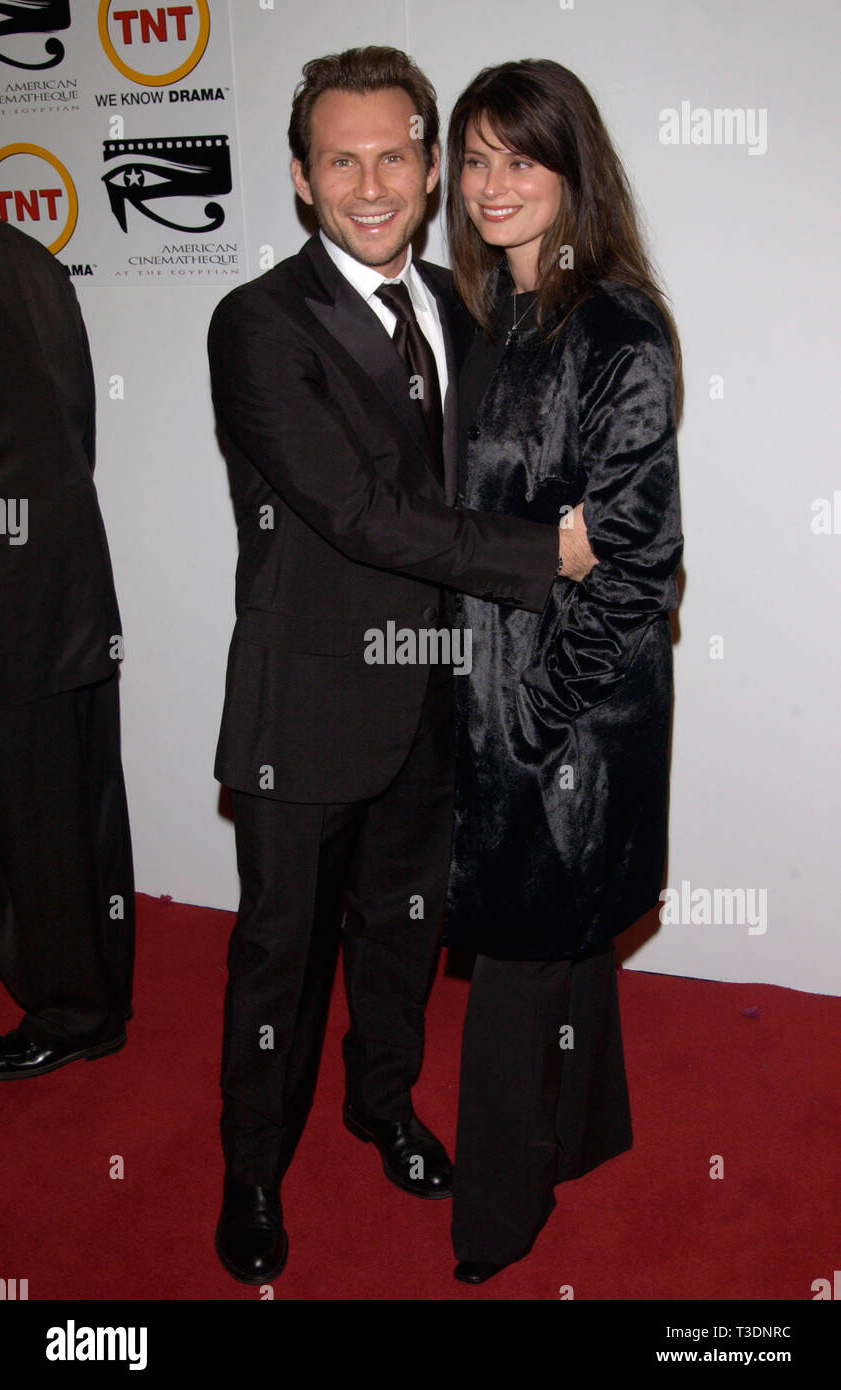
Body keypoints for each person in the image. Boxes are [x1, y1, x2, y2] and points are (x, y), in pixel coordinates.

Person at [206, 46, 597, 1285]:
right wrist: (553, 554)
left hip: (439, 693)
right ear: (300, 175)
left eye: (393, 156)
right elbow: (363, 513)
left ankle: (381, 1103)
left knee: (403, 932)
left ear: (429, 172)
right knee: (281, 949)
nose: (368, 184)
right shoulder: (259, 325)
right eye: (340, 159)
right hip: (305, 698)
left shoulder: (464, 302)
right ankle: (252, 1167)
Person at [441, 59, 684, 1283]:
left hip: (572, 709)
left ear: (569, 169)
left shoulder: (612, 327)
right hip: (505, 689)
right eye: (473, 160)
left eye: (518, 159)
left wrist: (531, 720)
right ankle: (587, 1130)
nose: (490, 184)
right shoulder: (504, 316)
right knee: (567, 936)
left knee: (518, 958)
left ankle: (493, 1213)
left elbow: (638, 566)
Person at [0, 218, 134, 1080]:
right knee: (75, 813)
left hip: (20, 608)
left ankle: (74, 1011)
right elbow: (74, 432)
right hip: (60, 588)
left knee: (37, 824)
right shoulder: (25, 259)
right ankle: (90, 998)